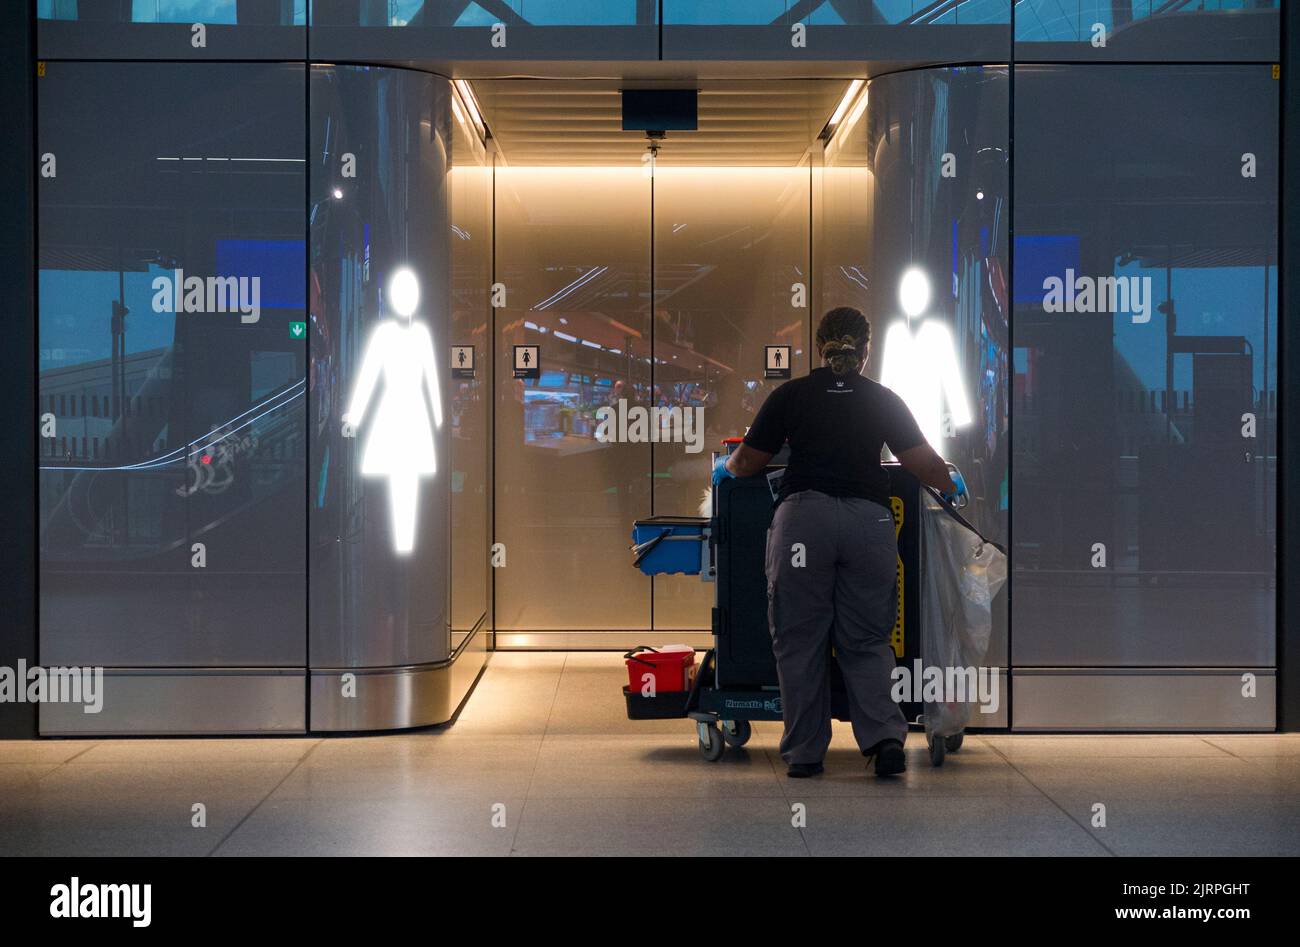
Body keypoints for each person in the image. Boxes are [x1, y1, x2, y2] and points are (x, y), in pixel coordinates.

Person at [713, 306, 963, 778]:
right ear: (865, 351)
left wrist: (725, 470)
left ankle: (806, 754)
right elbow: (927, 466)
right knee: (868, 638)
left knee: (800, 638)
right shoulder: (882, 399)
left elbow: (746, 463)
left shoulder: (792, 395)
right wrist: (953, 483)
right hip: (869, 524)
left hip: (804, 523)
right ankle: (885, 740)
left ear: (818, 345)